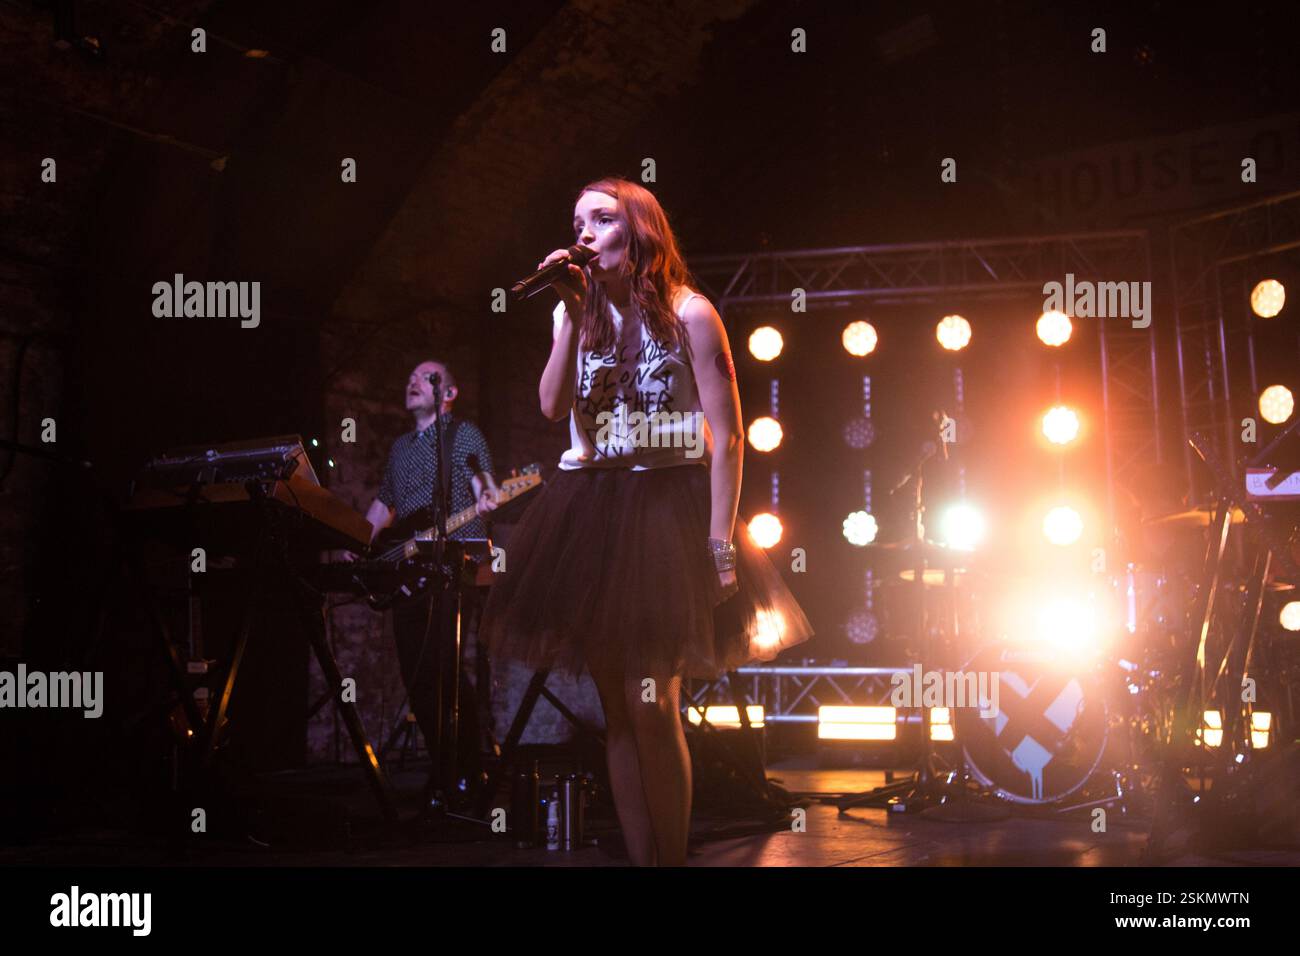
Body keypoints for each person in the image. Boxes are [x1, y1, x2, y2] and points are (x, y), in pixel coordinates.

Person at [478, 177, 813, 865]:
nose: (584, 233)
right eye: (577, 221)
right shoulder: (575, 312)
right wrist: (570, 315)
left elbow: (728, 436)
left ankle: (671, 860)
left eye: (601, 220)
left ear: (640, 233)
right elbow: (548, 407)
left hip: (665, 509)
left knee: (654, 704)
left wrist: (719, 543)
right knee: (618, 712)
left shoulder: (691, 313)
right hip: (589, 508)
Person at [363, 359, 500, 802]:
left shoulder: (463, 436)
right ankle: (444, 768)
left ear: (448, 392)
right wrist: (355, 541)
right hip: (407, 569)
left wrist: (486, 493)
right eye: (409, 377)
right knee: (416, 674)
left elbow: (483, 480)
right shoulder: (401, 447)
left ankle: (470, 771)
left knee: (446, 668)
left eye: (423, 377)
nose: (411, 382)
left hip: (450, 568)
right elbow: (385, 505)